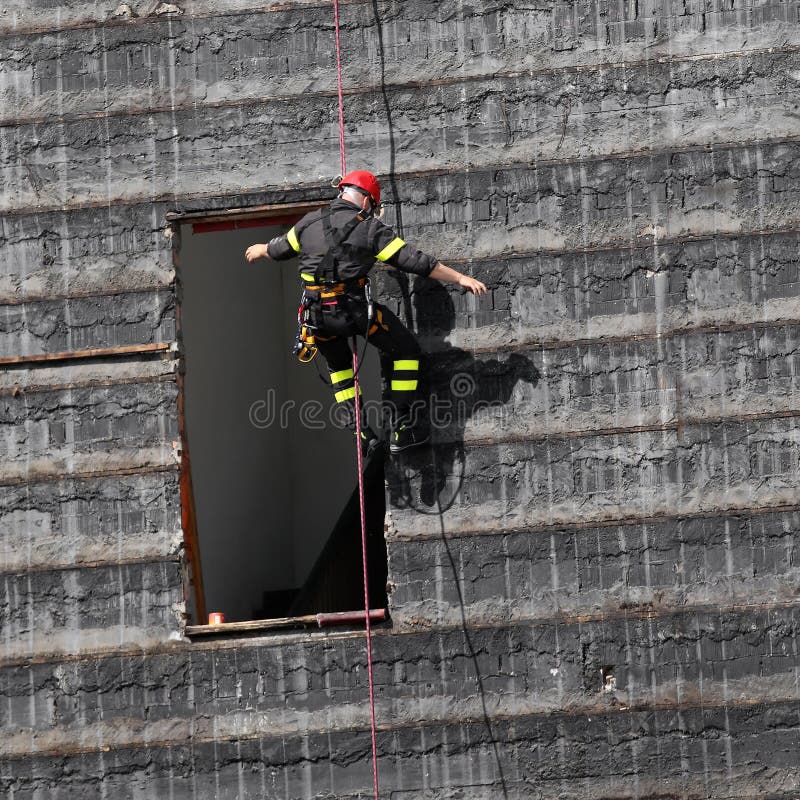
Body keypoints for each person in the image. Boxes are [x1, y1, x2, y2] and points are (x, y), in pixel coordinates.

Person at [245, 170, 487, 455]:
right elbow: (415, 262)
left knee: (340, 369)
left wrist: (260, 249)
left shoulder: (309, 221)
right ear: (366, 202)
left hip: (317, 319)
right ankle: (400, 426)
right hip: (355, 312)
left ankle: (362, 433)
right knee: (406, 352)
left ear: (343, 191)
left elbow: (280, 248)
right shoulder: (370, 228)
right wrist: (460, 278)